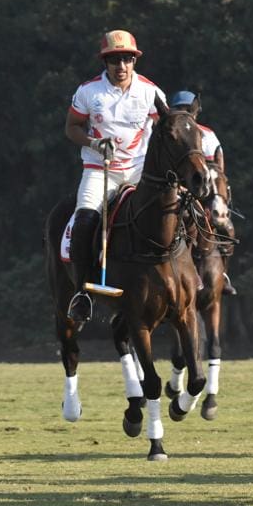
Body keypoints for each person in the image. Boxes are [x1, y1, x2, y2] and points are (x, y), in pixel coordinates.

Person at [64, 29, 165, 324]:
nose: (121, 66)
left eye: (126, 59)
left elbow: (165, 129)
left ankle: (191, 275)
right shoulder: (88, 92)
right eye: (114, 60)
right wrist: (94, 144)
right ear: (105, 62)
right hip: (100, 169)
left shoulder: (151, 92)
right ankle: (82, 292)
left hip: (139, 169)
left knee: (176, 210)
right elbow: (72, 128)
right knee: (84, 219)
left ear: (134, 60)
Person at [169, 91, 237, 295]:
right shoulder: (171, 132)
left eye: (188, 109)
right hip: (181, 190)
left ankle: (223, 274)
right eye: (180, 109)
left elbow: (219, 167)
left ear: (195, 111)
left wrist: (215, 192)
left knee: (227, 228)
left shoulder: (208, 135)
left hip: (208, 193)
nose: (185, 113)